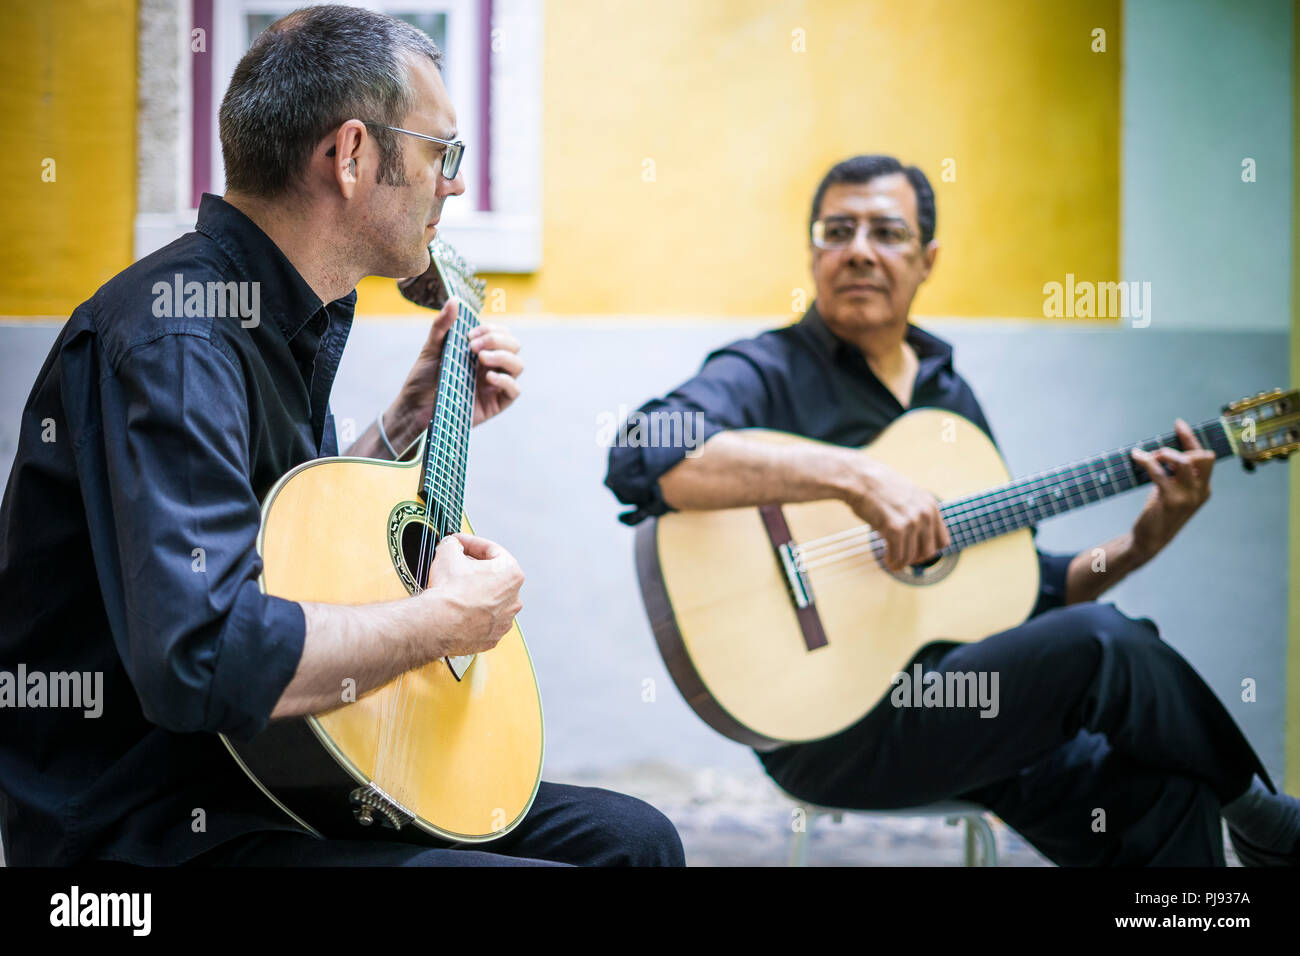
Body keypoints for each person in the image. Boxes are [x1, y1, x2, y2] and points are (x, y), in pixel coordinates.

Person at [0, 5, 682, 868]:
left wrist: (405, 424)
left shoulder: (288, 318)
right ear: (353, 156)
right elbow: (202, 656)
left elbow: (289, 552)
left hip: (286, 768)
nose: (455, 185)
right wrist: (440, 622)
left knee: (633, 842)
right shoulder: (179, 339)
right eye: (442, 153)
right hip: (156, 823)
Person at [605, 153, 1299, 866]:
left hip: (968, 710)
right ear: (812, 251)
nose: (859, 251)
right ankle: (1258, 813)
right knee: (1101, 639)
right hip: (830, 729)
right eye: (836, 231)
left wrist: (1142, 542)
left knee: (1162, 790)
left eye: (887, 232)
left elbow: (1026, 590)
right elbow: (638, 453)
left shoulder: (948, 399)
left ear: (927, 257)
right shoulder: (766, 370)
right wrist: (855, 478)